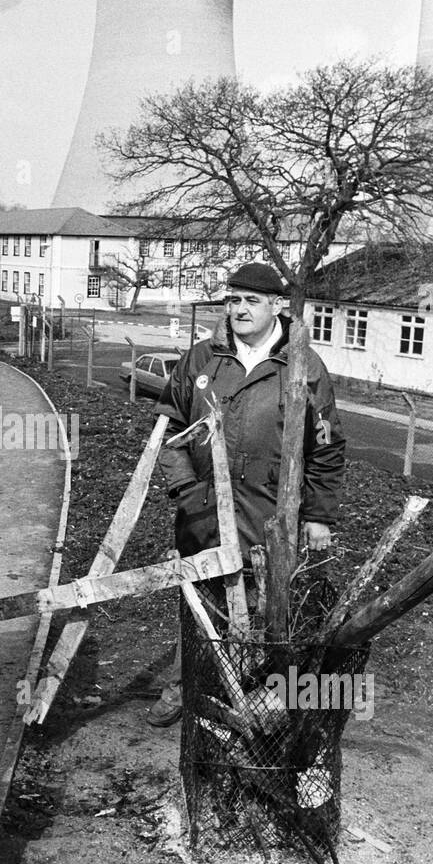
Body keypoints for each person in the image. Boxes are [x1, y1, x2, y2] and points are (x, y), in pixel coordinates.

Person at [146, 260, 345, 727]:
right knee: (199, 601)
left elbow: (327, 445)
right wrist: (184, 489)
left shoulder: (302, 366)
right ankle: (183, 687)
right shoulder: (202, 359)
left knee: (264, 607)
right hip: (204, 509)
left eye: (251, 301)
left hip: (269, 511)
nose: (239, 309)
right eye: (233, 299)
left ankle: (255, 700)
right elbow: (169, 429)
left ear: (276, 305)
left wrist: (317, 516)